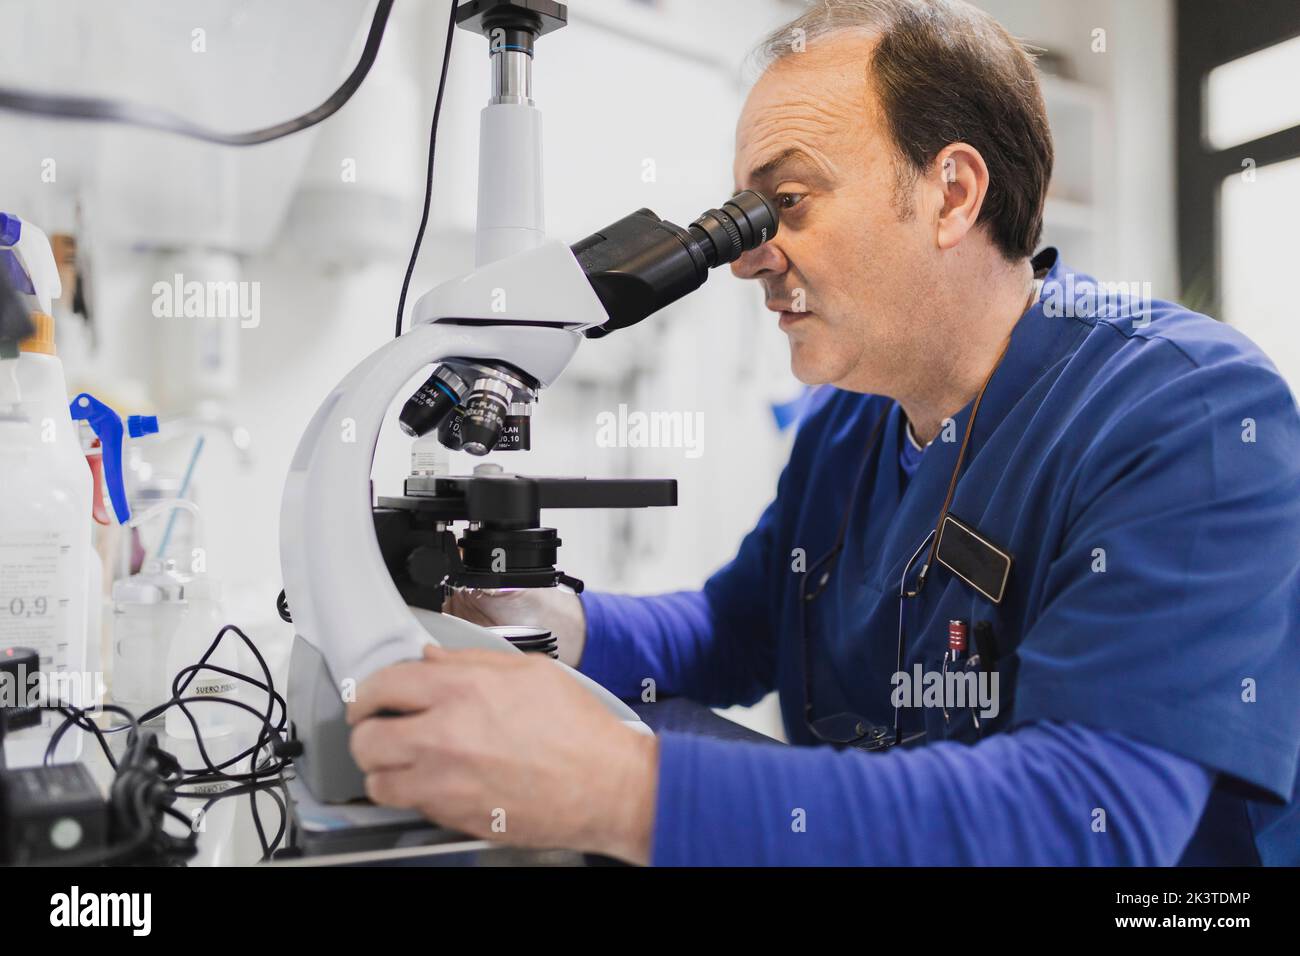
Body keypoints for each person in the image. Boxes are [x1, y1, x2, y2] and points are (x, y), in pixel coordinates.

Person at [346, 0, 1300, 865]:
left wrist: (622, 790)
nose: (747, 259)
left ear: (953, 194)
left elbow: (1089, 817)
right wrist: (556, 624)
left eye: (785, 202)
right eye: (741, 217)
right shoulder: (853, 416)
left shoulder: (1188, 413)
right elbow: (739, 629)